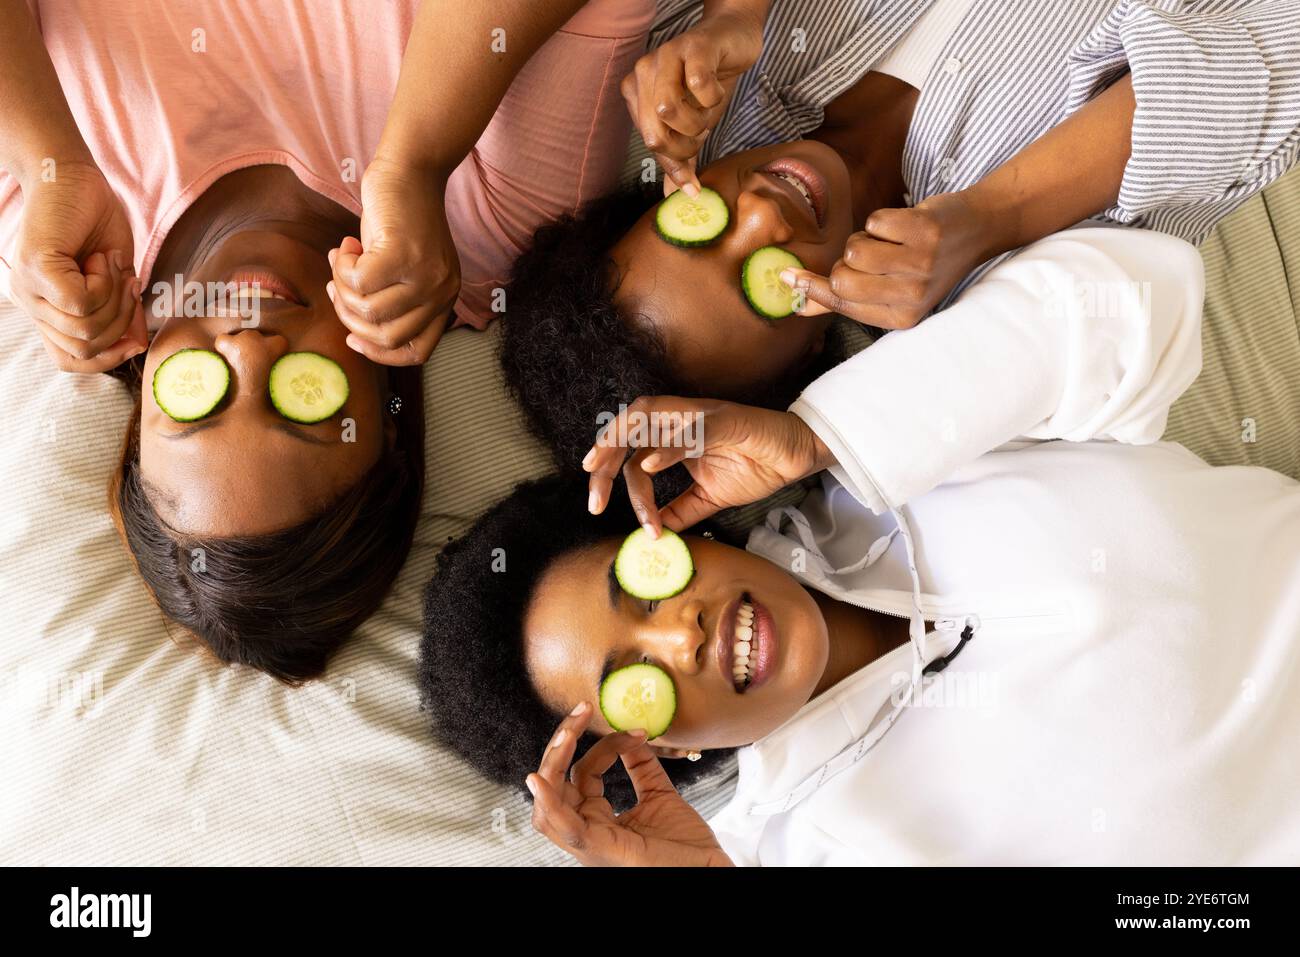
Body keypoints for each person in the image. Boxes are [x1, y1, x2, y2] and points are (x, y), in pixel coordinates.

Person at [0, 0, 655, 679]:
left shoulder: (48, 238)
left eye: (197, 400)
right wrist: (418, 160)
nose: (250, 350)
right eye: (301, 402)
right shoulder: (500, 222)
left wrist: (50, 160)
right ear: (386, 431)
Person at [420, 410, 1300, 866]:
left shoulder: (891, 454)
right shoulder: (814, 843)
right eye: (633, 681)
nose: (680, 637)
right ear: (647, 749)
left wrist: (829, 426)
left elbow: (1154, 301)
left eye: (641, 588)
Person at [499, 0, 1300, 497]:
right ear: (812, 345)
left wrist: (733, 11)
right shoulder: (1014, 295)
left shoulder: (705, 58)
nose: (763, 222)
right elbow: (1273, 60)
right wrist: (993, 217)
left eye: (699, 225)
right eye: (767, 283)